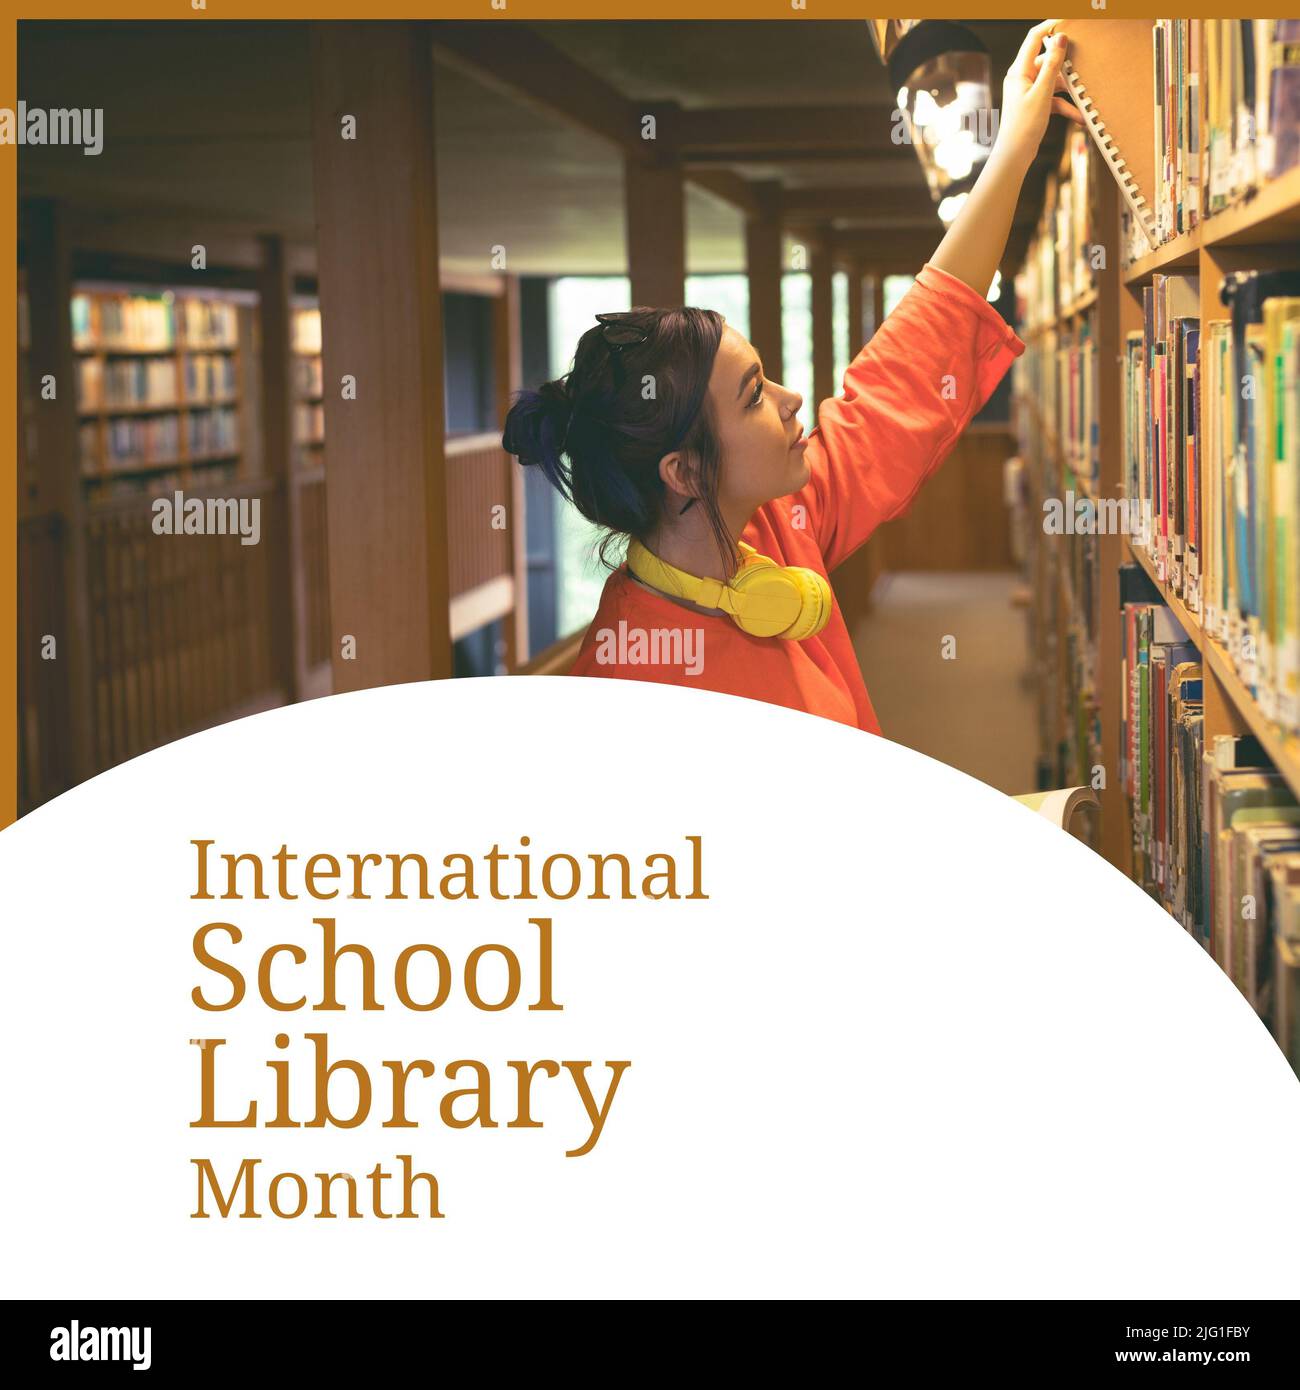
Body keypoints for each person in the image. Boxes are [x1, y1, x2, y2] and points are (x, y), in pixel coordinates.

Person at [503, 21, 1085, 732]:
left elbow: (905, 373)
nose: (792, 399)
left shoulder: (770, 529)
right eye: (753, 396)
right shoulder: (628, 690)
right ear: (684, 471)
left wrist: (1014, 149)